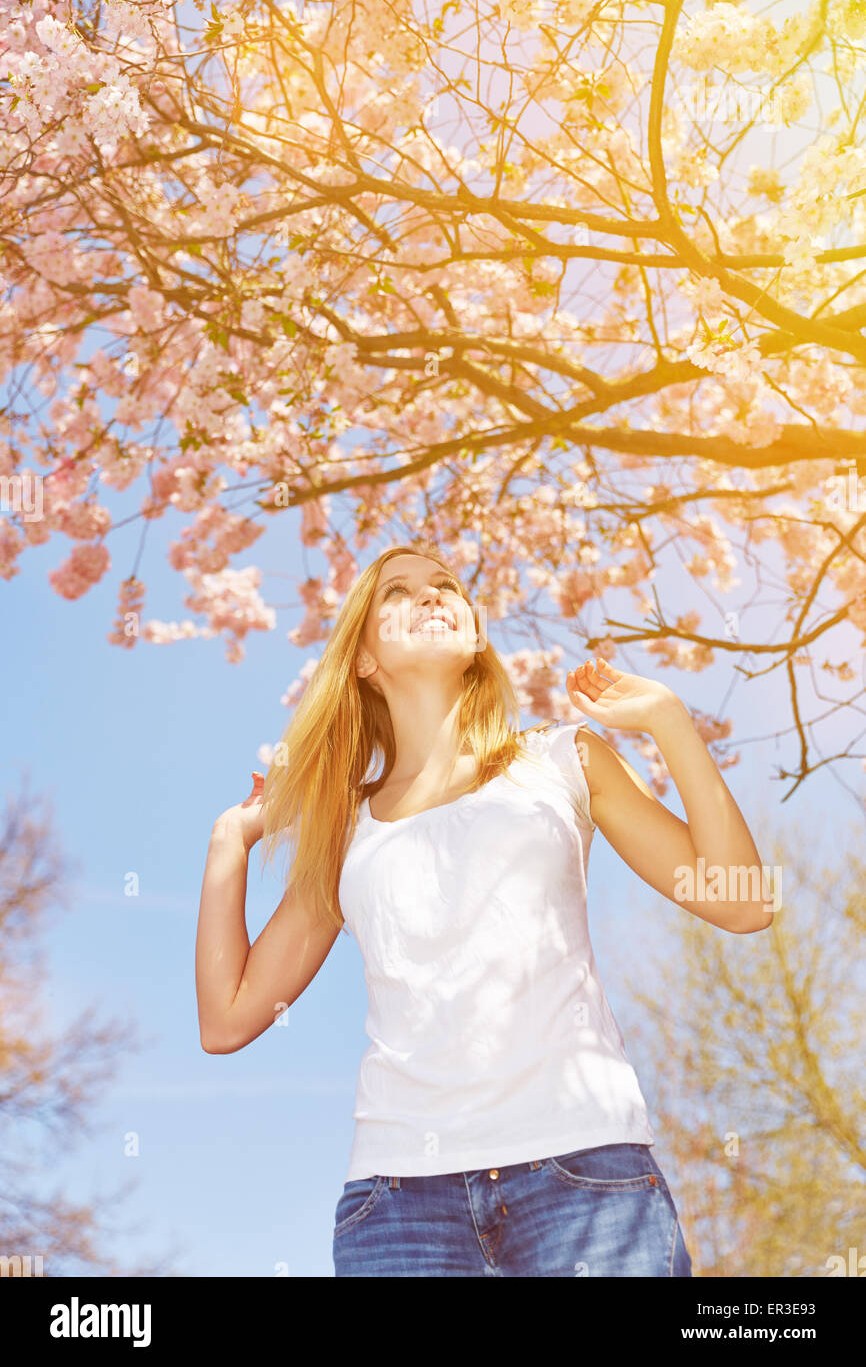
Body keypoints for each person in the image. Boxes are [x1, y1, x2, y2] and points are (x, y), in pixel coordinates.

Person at [195, 539, 774, 1277]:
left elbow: (746, 905)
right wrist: (228, 842)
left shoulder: (565, 759)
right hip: (397, 1206)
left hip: (583, 1176)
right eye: (397, 594)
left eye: (445, 584)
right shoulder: (345, 831)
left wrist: (668, 720)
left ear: (474, 636)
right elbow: (228, 1019)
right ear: (364, 658)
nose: (433, 594)